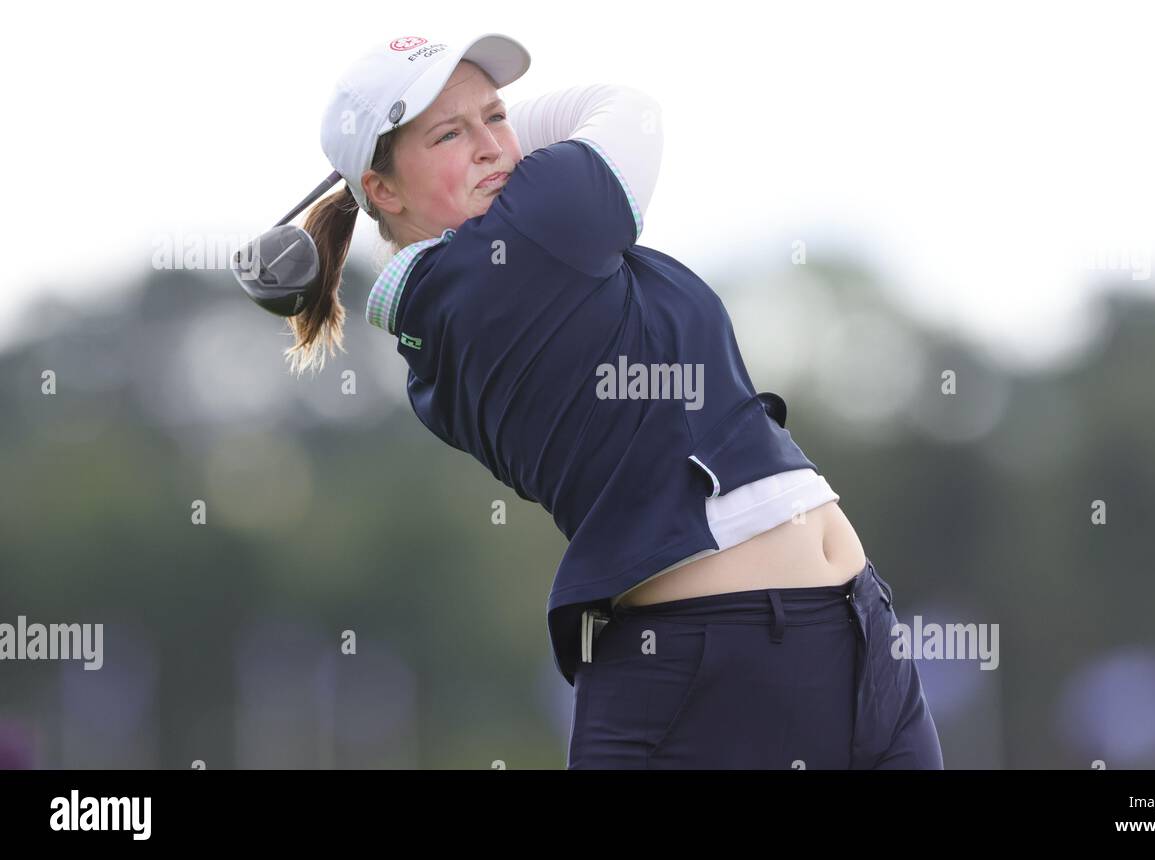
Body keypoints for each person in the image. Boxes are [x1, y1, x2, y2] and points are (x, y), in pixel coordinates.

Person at [299, 31, 943, 769]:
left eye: (497, 116)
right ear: (381, 191)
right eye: (450, 135)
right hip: (717, 672)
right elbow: (625, 111)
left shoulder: (476, 282)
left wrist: (435, 135)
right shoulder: (509, 249)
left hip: (856, 634)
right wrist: (487, 130)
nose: (490, 147)